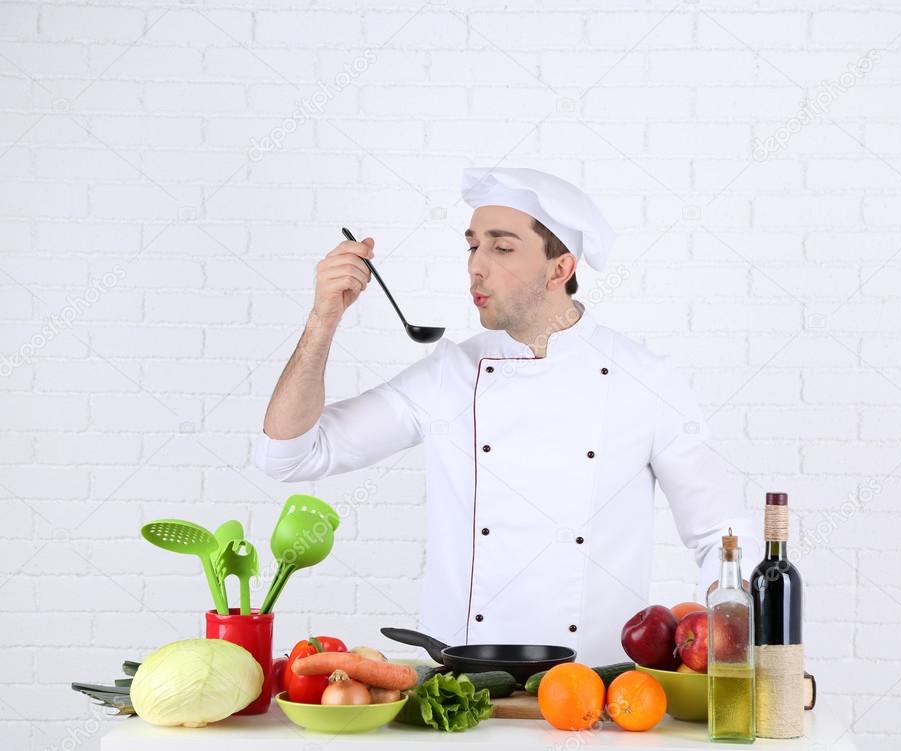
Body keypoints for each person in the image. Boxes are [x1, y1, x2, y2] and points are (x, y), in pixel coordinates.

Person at [254, 167, 761, 665]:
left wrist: (723, 637)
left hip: (596, 695)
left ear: (560, 268)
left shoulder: (646, 380)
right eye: (472, 245)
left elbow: (720, 530)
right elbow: (291, 455)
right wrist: (324, 319)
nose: (476, 266)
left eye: (501, 247)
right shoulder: (448, 373)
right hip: (458, 690)